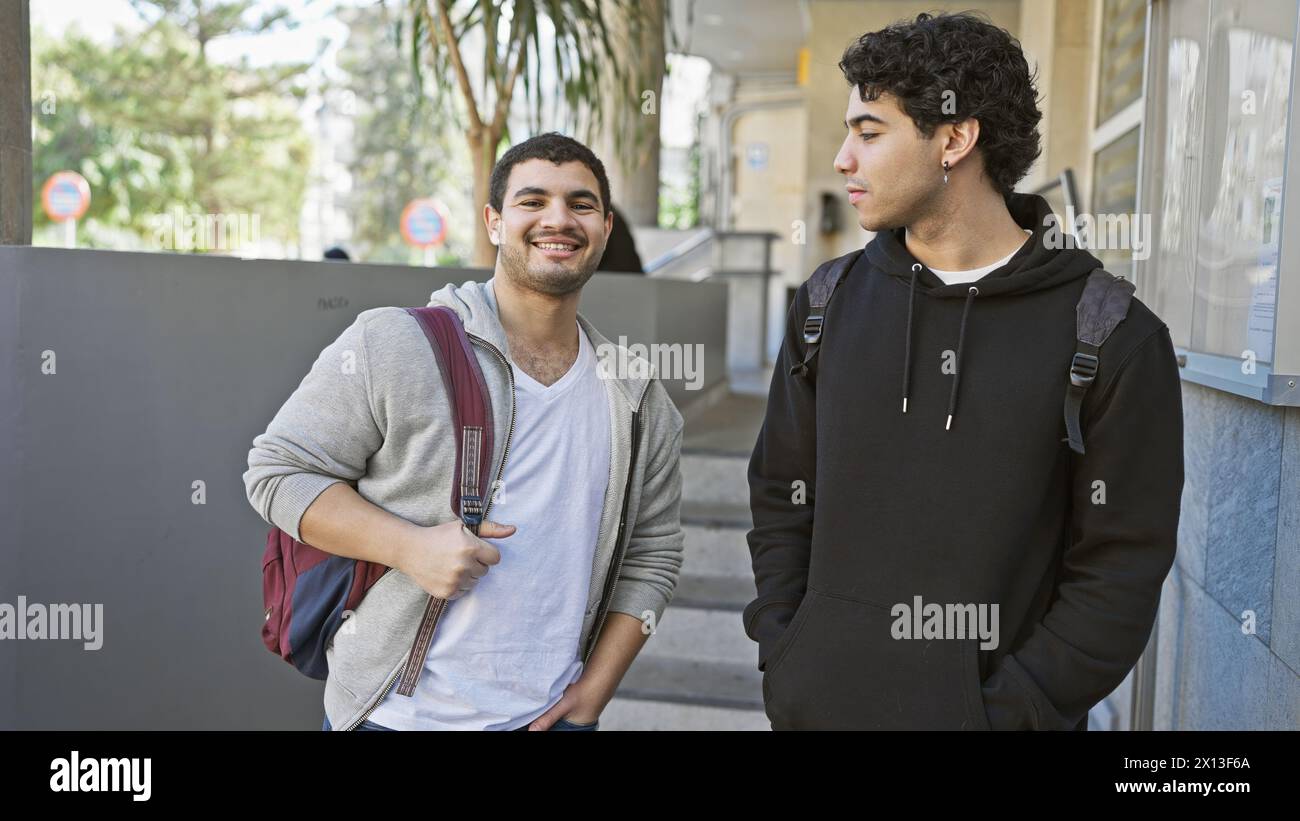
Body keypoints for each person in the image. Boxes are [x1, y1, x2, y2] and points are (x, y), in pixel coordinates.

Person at [743, 11, 1184, 730]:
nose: (842, 159)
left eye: (869, 131)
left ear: (954, 137)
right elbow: (781, 497)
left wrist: (1002, 713)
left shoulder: (1111, 336)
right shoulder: (826, 303)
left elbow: (1119, 569)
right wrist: (789, 647)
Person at [244, 133, 684, 731]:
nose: (559, 218)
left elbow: (653, 553)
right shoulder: (396, 343)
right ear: (494, 223)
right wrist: (410, 547)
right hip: (396, 719)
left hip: (550, 721)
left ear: (605, 227)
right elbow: (278, 473)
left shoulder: (636, 396)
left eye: (581, 205)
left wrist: (596, 691)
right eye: (533, 201)